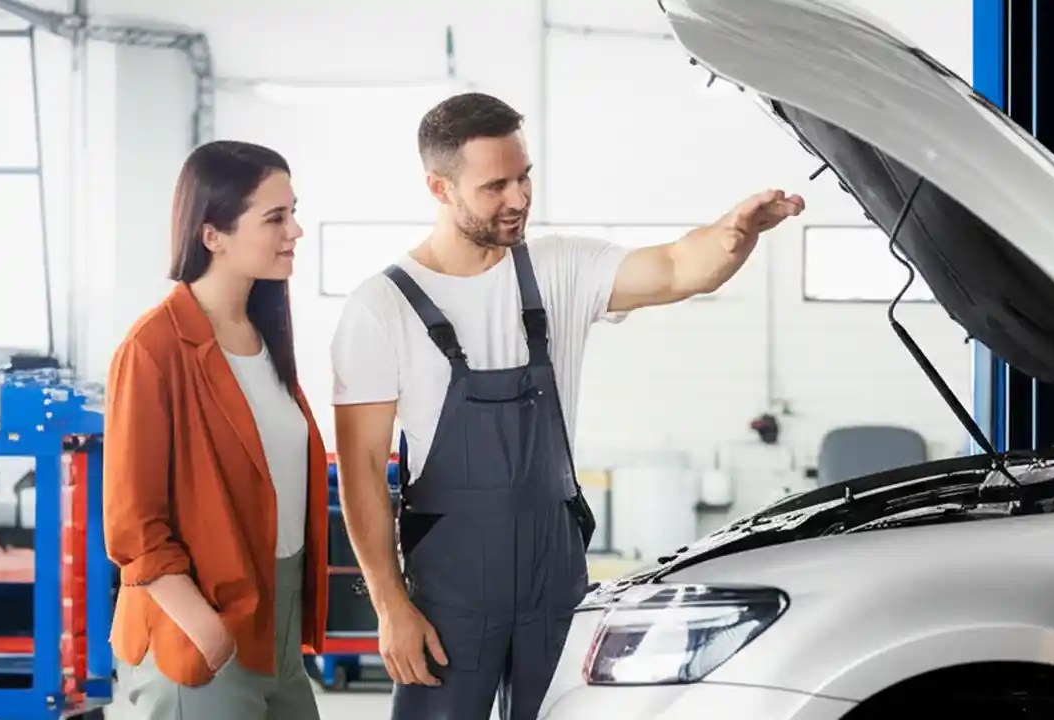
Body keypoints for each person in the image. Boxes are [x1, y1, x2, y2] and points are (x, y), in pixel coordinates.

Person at [329, 92, 803, 719]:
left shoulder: (557, 270)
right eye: (495, 185)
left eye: (525, 177)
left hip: (555, 574)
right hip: (449, 591)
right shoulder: (380, 308)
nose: (520, 198)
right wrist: (390, 606)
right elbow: (362, 471)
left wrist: (734, 233)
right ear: (439, 189)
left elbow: (675, 268)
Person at [102, 140, 329, 719]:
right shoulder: (153, 348)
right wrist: (209, 630)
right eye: (275, 217)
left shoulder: (264, 338)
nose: (295, 230)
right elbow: (133, 526)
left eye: (293, 212)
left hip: (278, 632)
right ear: (212, 236)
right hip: (202, 638)